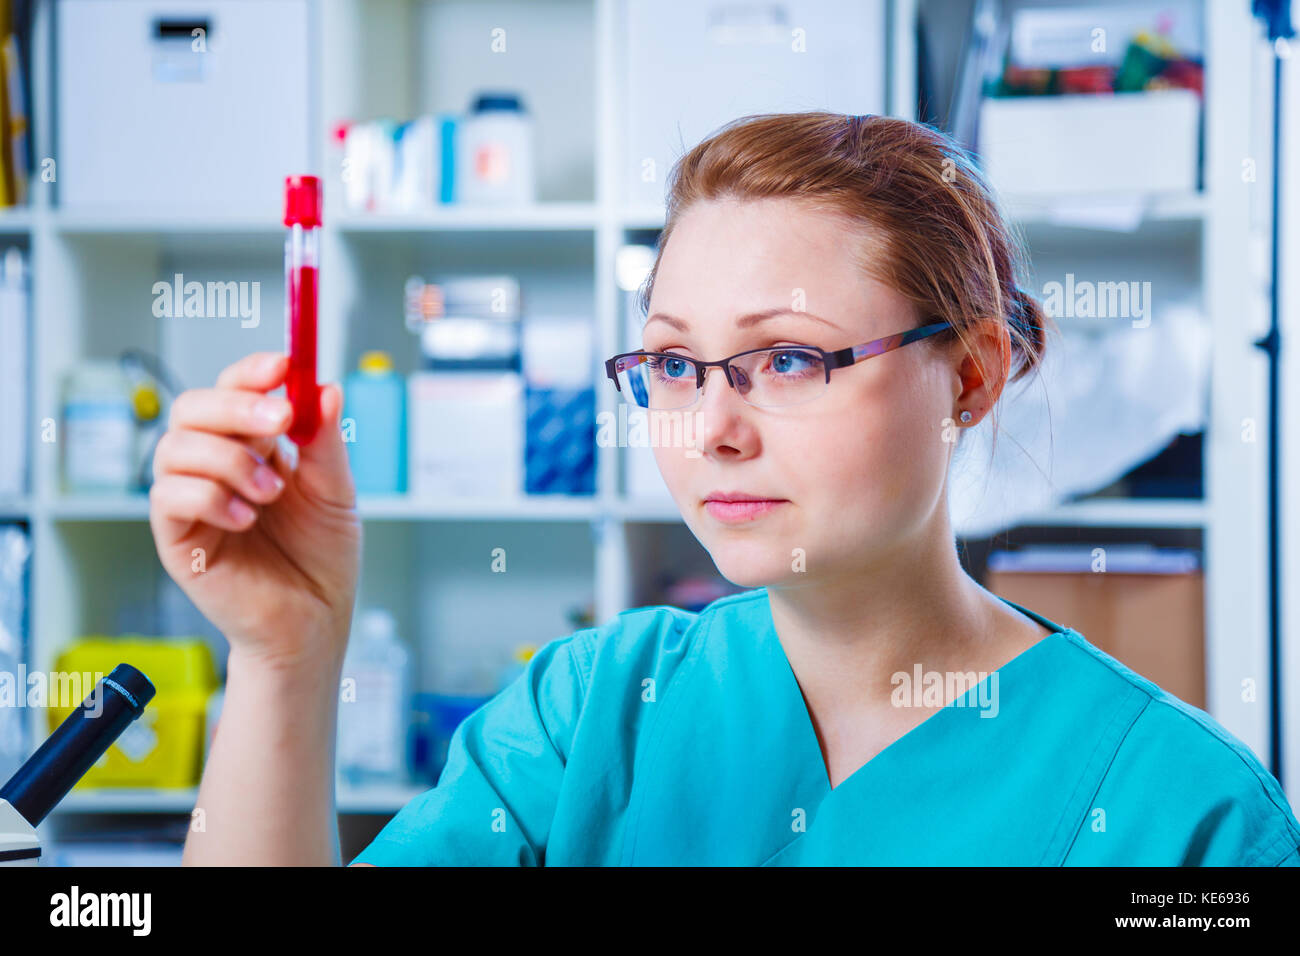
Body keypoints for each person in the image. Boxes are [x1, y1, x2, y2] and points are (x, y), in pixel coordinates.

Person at [151, 111, 1300, 866]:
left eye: (790, 357)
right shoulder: (589, 712)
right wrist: (285, 657)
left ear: (974, 374)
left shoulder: (1176, 812)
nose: (713, 429)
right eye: (670, 364)